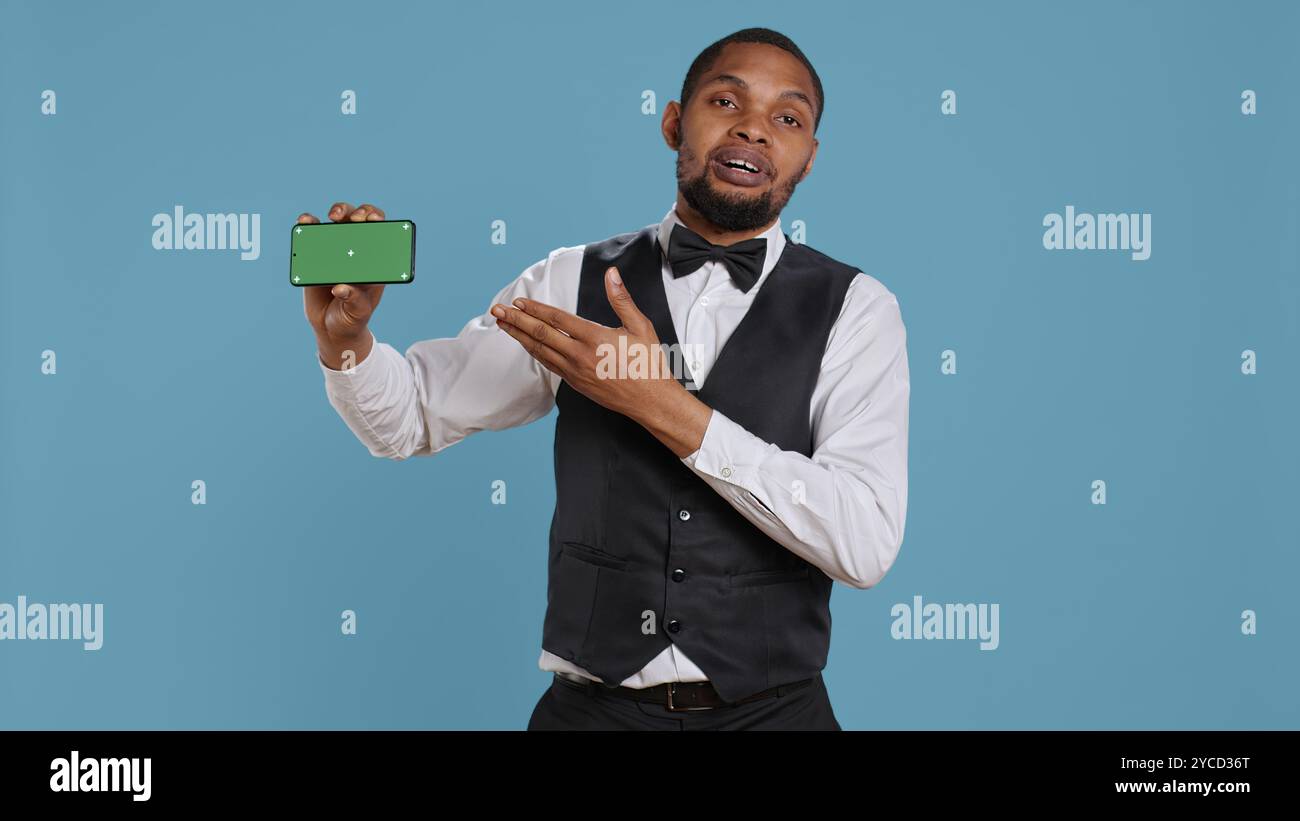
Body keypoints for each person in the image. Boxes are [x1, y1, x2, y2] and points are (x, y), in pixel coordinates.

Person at [298, 27, 910, 730]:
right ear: (675, 122)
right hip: (592, 715)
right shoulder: (567, 280)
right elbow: (410, 416)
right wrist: (345, 341)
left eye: (788, 118)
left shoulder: (858, 310)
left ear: (808, 158)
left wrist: (662, 406)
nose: (754, 129)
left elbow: (864, 542)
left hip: (778, 714)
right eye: (726, 100)